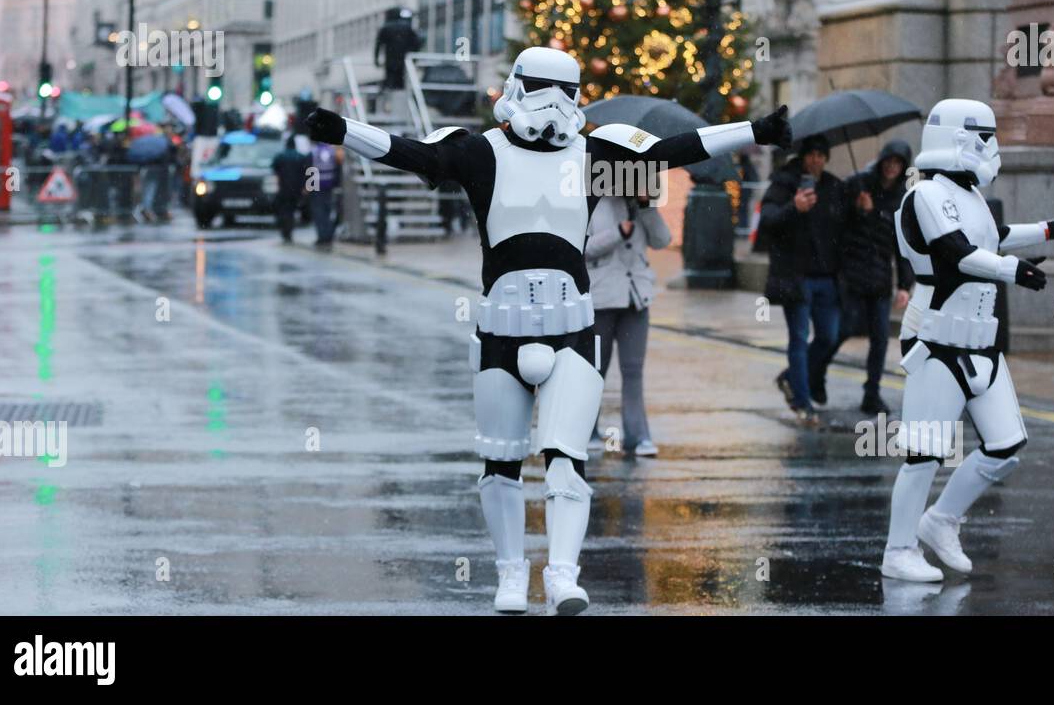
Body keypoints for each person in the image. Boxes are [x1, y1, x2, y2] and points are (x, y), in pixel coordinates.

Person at [307, 46, 792, 614]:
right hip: (500, 330)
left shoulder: (597, 153)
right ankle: (511, 574)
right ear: (515, 88)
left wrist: (755, 130)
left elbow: (670, 150)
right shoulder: (478, 151)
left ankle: (563, 574)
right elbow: (413, 153)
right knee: (501, 462)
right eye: (541, 87)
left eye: (565, 90)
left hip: (573, 328)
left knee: (566, 460)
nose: (553, 103)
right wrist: (344, 130)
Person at [880, 98, 1054, 582]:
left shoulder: (967, 195)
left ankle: (941, 521)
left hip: (981, 339)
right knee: (924, 454)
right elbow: (955, 252)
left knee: (1006, 443)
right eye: (984, 136)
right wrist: (1011, 271)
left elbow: (992, 235)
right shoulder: (925, 196)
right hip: (937, 339)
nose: (991, 147)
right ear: (958, 138)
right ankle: (898, 550)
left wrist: (1052, 230)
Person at [757, 134, 845, 424]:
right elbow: (768, 220)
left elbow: (846, 224)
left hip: (827, 276)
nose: (816, 160)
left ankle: (790, 378)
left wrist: (862, 206)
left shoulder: (834, 186)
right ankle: (802, 402)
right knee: (798, 338)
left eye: (821, 155)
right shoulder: (784, 182)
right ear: (803, 157)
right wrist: (794, 207)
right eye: (811, 155)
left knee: (829, 336)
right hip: (796, 276)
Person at [585, 189, 672, 457]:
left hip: (636, 298)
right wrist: (617, 234)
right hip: (602, 298)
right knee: (593, 372)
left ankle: (638, 436)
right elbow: (583, 248)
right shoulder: (591, 202)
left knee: (633, 372)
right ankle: (587, 432)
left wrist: (647, 206)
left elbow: (662, 240)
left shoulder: (640, 205)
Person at [839, 140, 915, 415]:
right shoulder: (858, 184)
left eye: (898, 163)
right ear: (882, 160)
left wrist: (905, 285)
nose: (892, 167)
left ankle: (872, 392)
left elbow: (901, 244)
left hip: (881, 279)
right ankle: (814, 374)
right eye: (889, 161)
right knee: (844, 329)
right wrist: (858, 209)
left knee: (880, 338)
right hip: (853, 276)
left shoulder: (901, 198)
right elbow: (839, 225)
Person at [374, 7, 423, 91]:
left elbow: (378, 45)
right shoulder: (407, 28)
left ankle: (388, 93)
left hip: (390, 60)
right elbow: (417, 43)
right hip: (402, 60)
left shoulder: (386, 28)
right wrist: (414, 58)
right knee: (400, 82)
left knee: (389, 81)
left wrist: (376, 59)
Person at [271, 133, 309, 243]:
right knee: (291, 210)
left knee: (284, 210)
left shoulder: (280, 156)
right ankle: (289, 231)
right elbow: (306, 172)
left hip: (283, 188)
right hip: (296, 189)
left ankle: (285, 231)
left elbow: (275, 171)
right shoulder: (301, 157)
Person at [308, 139, 341, 249]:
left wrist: (309, 187)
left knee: (319, 212)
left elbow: (310, 169)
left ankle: (322, 236)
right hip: (329, 185)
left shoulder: (313, 151)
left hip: (317, 186)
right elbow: (337, 168)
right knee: (328, 210)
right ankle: (328, 235)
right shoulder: (332, 151)